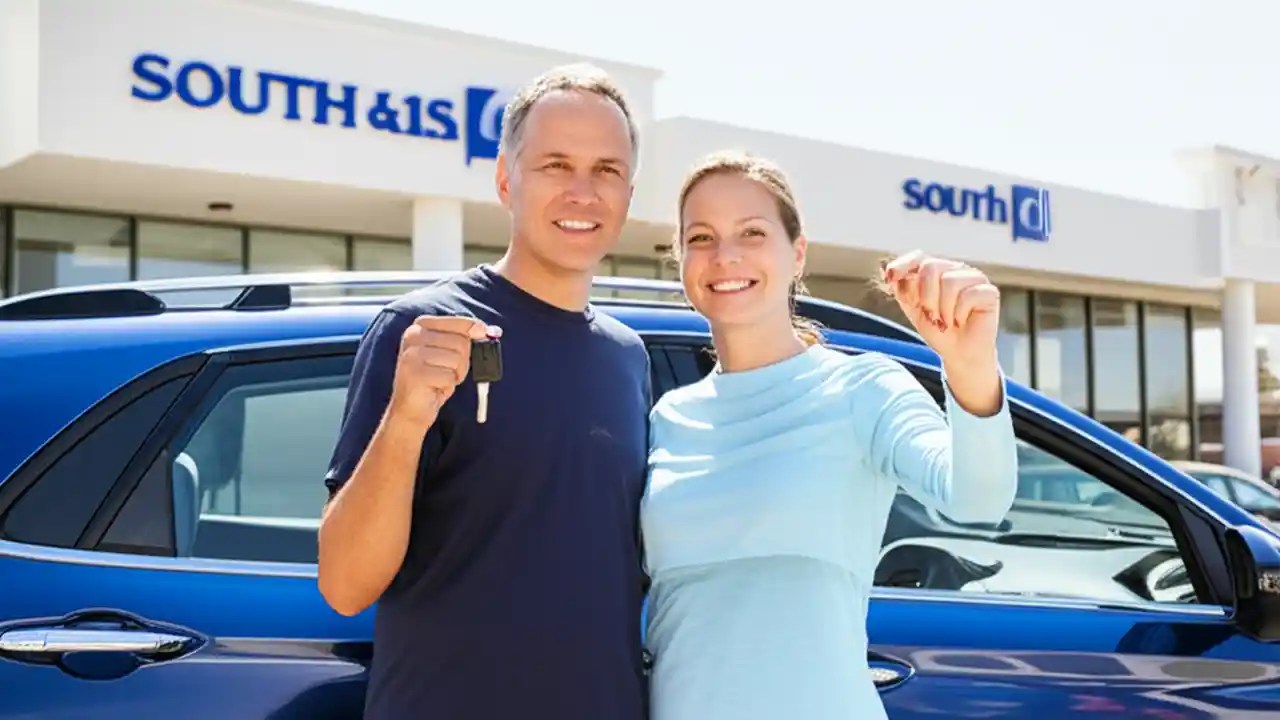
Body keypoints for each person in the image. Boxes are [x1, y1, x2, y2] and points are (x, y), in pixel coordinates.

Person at [317, 63, 651, 720]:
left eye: (606, 170)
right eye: (556, 165)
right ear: (506, 181)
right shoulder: (421, 331)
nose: (583, 192)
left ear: (629, 195)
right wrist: (407, 418)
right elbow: (346, 584)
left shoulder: (627, 358)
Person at [640, 150, 1019, 720]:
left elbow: (979, 497)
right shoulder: (667, 418)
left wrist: (969, 367)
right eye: (701, 237)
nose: (725, 256)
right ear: (681, 259)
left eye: (751, 231)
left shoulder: (862, 389)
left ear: (797, 254)